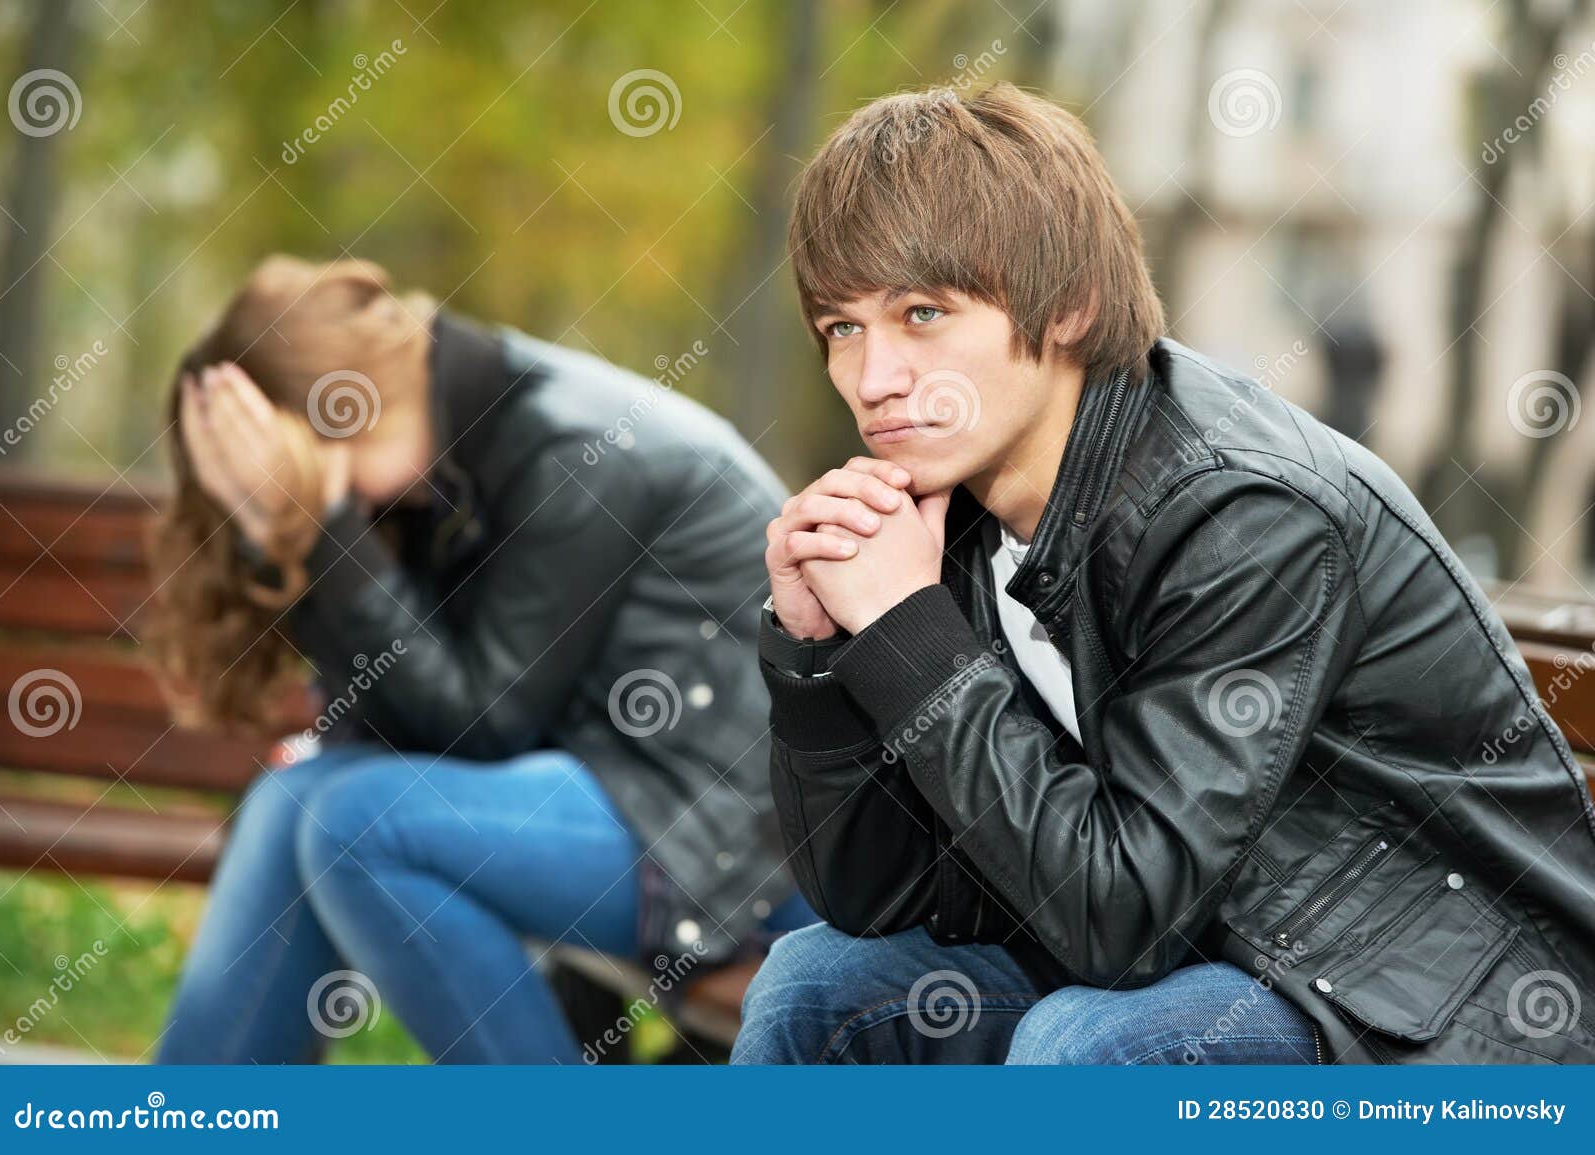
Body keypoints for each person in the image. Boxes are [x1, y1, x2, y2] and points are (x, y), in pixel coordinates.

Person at [733, 84, 1595, 1065]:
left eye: (922, 313)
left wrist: (906, 631)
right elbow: (875, 898)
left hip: (1446, 1019)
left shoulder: (1240, 514)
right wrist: (811, 659)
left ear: (1068, 306)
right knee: (814, 990)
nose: (874, 378)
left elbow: (1122, 923)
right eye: (843, 328)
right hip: (1212, 947)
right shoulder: (953, 505)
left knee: (1091, 1049)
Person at [149, 255, 812, 1063]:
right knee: (294, 799)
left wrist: (319, 527)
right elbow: (407, 718)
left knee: (354, 827)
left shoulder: (574, 448)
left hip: (725, 831)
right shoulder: (446, 458)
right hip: (616, 788)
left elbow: (481, 724)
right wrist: (312, 539)